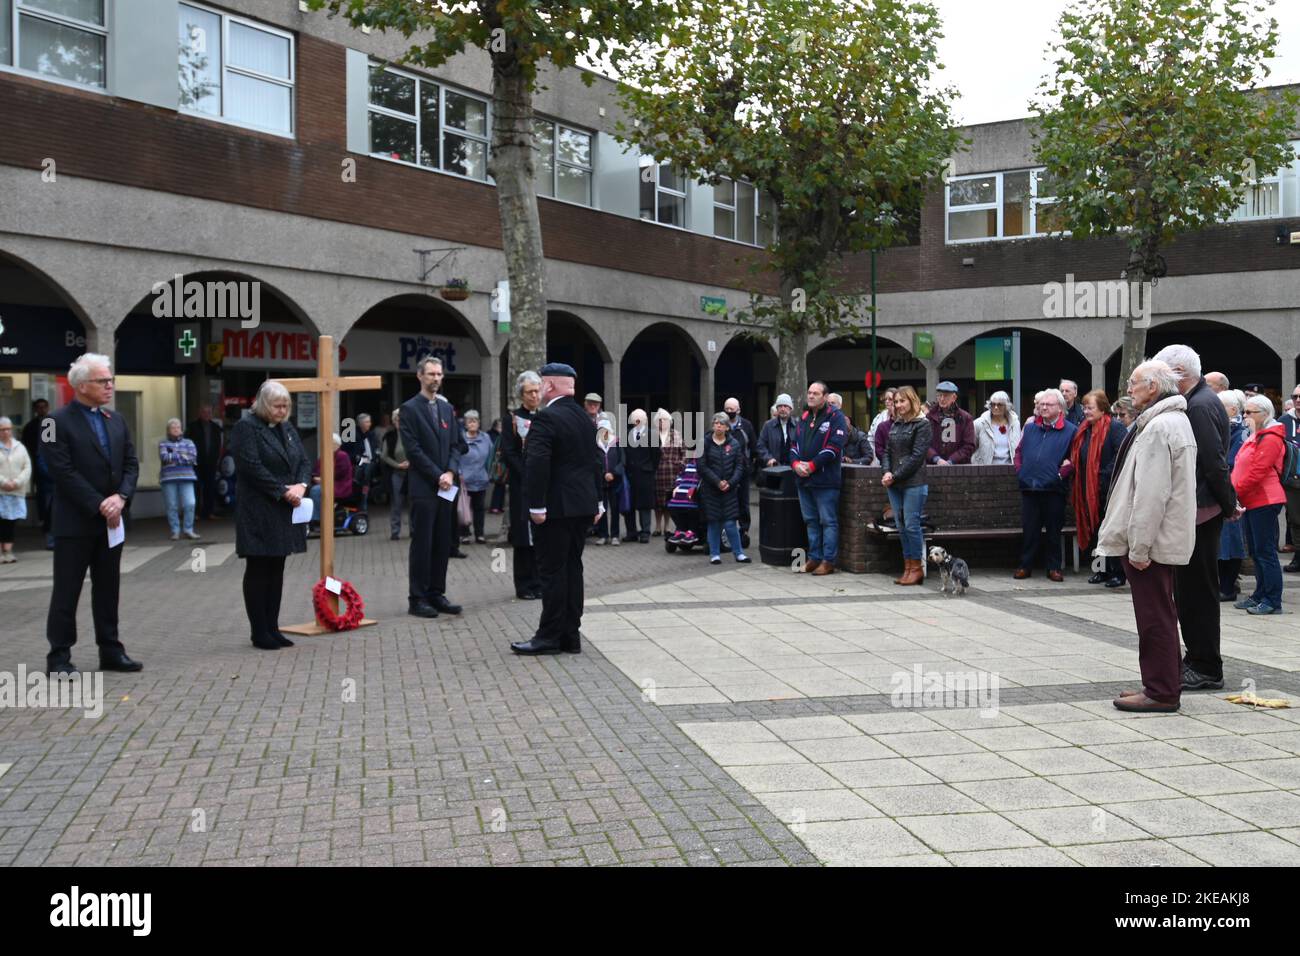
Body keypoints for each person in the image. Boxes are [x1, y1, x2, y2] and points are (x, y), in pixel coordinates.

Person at [1097, 360, 1197, 713]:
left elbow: (1151, 494)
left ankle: (1161, 690)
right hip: (1159, 539)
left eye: (1134, 382)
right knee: (1160, 613)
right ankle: (1160, 683)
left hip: (1152, 543)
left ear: (1153, 387)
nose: (1128, 388)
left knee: (1155, 616)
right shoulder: (1172, 421)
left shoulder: (1159, 427)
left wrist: (1139, 547)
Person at [44, 353, 142, 676]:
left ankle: (110, 650)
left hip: (112, 522)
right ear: (82, 385)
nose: (110, 385)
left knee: (108, 588)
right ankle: (59, 657)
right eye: (103, 381)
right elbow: (61, 471)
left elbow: (131, 462)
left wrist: (122, 497)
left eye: (111, 380)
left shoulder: (117, 420)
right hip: (76, 523)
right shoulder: (53, 422)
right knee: (66, 590)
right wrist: (100, 503)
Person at [1151, 344, 1238, 693]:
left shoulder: (1200, 405)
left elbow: (1214, 462)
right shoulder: (1199, 401)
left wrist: (1229, 504)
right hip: (1199, 511)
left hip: (1202, 512)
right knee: (1190, 592)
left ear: (1179, 375)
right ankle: (1198, 658)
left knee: (1198, 593)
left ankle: (1206, 666)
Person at [510, 363, 603, 655]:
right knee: (572, 569)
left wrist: (536, 505)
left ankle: (549, 636)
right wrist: (598, 501)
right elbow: (598, 462)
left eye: (541, 384)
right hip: (581, 508)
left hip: (555, 510)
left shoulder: (546, 418)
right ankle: (569, 635)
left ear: (549, 386)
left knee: (552, 573)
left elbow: (537, 464)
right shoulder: (585, 418)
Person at [229, 380, 310, 651]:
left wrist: (301, 485)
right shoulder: (246, 427)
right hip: (259, 509)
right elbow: (250, 466)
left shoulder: (286, 428)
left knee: (277, 568)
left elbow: (304, 460)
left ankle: (273, 627)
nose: (282, 410)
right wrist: (282, 491)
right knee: (259, 568)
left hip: (284, 508)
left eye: (286, 405)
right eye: (277, 405)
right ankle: (259, 631)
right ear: (264, 404)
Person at [400, 356, 466, 619]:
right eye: (431, 374)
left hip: (446, 486)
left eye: (439, 374)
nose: (436, 379)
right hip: (424, 487)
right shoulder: (409, 409)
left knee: (443, 542)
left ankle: (437, 593)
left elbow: (457, 444)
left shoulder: (447, 409)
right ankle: (417, 598)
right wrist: (438, 474)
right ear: (420, 376)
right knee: (423, 543)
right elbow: (413, 451)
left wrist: (450, 471)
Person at [1232, 394, 1287, 615]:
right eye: (1244, 412)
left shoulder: (1271, 436)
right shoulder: (1258, 435)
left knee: (1265, 552)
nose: (1245, 416)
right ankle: (1260, 594)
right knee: (1257, 551)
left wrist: (1236, 492)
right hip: (1253, 500)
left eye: (1250, 412)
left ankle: (1272, 599)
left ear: (1265, 414)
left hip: (1264, 499)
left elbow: (1257, 472)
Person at [1014, 388, 1077, 581]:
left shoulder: (1070, 430)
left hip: (1054, 490)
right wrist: (1021, 471)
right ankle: (1025, 566)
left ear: (1060, 407)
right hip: (1029, 488)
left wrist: (1059, 475)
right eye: (1041, 404)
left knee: (1053, 532)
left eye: (1048, 404)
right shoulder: (1031, 427)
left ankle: (1054, 568)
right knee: (1030, 531)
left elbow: (1074, 459)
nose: (1043, 407)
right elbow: (1018, 452)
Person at [1068, 390, 1127, 587]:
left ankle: (1117, 573)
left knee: (1110, 532)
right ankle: (1100, 571)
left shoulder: (1115, 428)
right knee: (1094, 531)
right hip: (1086, 491)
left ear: (1102, 409)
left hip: (1108, 491)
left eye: (1090, 407)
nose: (1086, 411)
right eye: (1084, 407)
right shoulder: (1083, 430)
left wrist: (1102, 476)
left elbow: (1122, 455)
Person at [790, 381, 849, 576]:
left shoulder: (836, 418)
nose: (811, 396)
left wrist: (812, 465)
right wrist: (796, 464)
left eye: (816, 393)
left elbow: (834, 447)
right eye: (809, 392)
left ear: (825, 397)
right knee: (811, 520)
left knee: (828, 521)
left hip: (825, 481)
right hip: (803, 479)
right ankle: (814, 557)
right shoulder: (805, 417)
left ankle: (828, 561)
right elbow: (793, 445)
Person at [881, 386, 931, 586]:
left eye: (903, 401)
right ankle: (908, 567)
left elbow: (917, 457)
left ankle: (917, 568)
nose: (899, 405)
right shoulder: (895, 424)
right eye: (896, 401)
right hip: (893, 482)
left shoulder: (922, 424)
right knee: (901, 526)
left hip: (913, 483)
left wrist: (895, 475)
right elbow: (886, 452)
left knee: (911, 525)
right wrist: (886, 472)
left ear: (912, 401)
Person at [500, 371, 543, 600]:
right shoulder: (512, 419)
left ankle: (539, 582)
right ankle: (524, 585)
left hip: (543, 488)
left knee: (540, 536)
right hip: (521, 486)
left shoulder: (545, 417)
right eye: (530, 392)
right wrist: (527, 474)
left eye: (537, 391)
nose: (534, 395)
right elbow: (509, 452)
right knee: (523, 537)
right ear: (521, 394)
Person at [698, 412, 752, 564]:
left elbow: (739, 466)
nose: (719, 426)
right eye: (716, 423)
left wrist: (730, 482)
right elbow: (701, 466)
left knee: (730, 523)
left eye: (722, 424)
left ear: (727, 427)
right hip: (711, 490)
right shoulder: (704, 443)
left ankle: (739, 553)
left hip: (729, 490)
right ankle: (714, 554)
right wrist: (717, 482)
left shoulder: (734, 444)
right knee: (714, 522)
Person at [1216, 391, 1248, 602]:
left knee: (1231, 542)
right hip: (1224, 490)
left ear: (1233, 410)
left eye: (1221, 407)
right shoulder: (1225, 428)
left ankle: (1228, 587)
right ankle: (1224, 585)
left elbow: (1231, 461)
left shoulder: (1239, 431)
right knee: (1222, 543)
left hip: (1233, 491)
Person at [159, 418, 200, 541]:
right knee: (172, 505)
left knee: (190, 503)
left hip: (187, 477)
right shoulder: (163, 443)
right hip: (168, 479)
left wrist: (174, 457)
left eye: (178, 427)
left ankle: (188, 529)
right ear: (168, 430)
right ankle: (175, 531)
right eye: (173, 427)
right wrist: (182, 455)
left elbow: (192, 458)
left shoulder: (189, 442)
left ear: (181, 429)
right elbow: (164, 457)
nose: (176, 429)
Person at [723, 397, 758, 544]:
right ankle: (726, 531)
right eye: (727, 409)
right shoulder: (720, 424)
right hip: (724, 470)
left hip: (743, 470)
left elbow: (754, 447)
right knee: (726, 501)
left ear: (739, 410)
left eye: (733, 409)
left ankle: (744, 530)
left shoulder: (746, 425)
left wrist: (750, 465)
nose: (730, 412)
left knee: (743, 501)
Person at [21, 398, 54, 549]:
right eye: (39, 407)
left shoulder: (50, 423)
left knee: (50, 504)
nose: (42, 410)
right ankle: (48, 531)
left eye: (44, 407)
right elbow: (43, 451)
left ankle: (50, 531)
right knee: (46, 503)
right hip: (43, 470)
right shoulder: (35, 426)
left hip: (48, 469)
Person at [621, 408, 658, 543]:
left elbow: (656, 456)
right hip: (629, 475)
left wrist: (650, 469)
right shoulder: (626, 435)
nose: (638, 422)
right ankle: (631, 532)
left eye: (640, 419)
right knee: (628, 504)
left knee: (644, 505)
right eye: (635, 419)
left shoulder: (652, 435)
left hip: (645, 475)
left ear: (645, 420)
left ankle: (645, 532)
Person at [0, 417, 32, 563]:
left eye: (8, 429)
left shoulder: (19, 446)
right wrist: (4, 482)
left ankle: (8, 551)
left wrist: (18, 482)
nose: (6, 432)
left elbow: (27, 466)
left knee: (10, 522)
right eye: (2, 430)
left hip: (15, 491)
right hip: (1, 491)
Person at [308, 433, 353, 534]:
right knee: (309, 488)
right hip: (326, 483)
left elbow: (341, 473)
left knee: (316, 490)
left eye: (332, 443)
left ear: (337, 444)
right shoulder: (324, 456)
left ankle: (317, 520)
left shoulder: (342, 456)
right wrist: (315, 476)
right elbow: (316, 470)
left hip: (340, 485)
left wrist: (323, 478)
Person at [458, 410, 492, 544]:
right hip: (464, 480)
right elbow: (455, 456)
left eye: (475, 421)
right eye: (469, 421)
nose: (472, 423)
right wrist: (458, 472)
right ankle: (464, 534)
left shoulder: (485, 438)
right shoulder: (460, 438)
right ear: (465, 424)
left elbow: (492, 455)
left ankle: (480, 534)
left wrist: (489, 472)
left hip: (481, 478)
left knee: (479, 508)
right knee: (464, 508)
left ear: (479, 423)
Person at [185, 404, 223, 521]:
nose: (207, 414)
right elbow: (187, 443)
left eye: (209, 412)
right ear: (200, 413)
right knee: (196, 488)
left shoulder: (216, 427)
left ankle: (209, 512)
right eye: (204, 412)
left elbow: (218, 445)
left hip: (211, 462)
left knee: (210, 487)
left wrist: (217, 458)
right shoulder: (192, 427)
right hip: (196, 462)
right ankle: (196, 513)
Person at [926, 381, 976, 465]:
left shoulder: (965, 418)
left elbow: (969, 446)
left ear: (954, 397)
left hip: (959, 468)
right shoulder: (929, 417)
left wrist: (951, 460)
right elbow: (923, 443)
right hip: (933, 466)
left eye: (945, 396)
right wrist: (936, 459)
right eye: (939, 395)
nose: (942, 399)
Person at [594, 414, 625, 546]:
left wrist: (613, 473)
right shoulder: (595, 444)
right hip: (600, 483)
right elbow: (593, 462)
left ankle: (615, 535)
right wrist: (603, 474)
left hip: (615, 482)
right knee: (601, 509)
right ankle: (603, 535)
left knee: (615, 509)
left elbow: (622, 461)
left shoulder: (617, 443)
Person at [653, 408, 684, 536]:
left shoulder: (676, 434)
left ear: (669, 421)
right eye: (660, 420)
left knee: (668, 501)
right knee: (657, 502)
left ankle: (667, 527)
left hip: (672, 472)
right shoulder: (652, 435)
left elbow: (684, 452)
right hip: (657, 472)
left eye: (665, 420)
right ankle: (657, 526)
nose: (662, 423)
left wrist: (681, 464)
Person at [381, 408, 410, 540]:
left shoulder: (412, 434)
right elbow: (384, 456)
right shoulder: (389, 436)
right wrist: (397, 465)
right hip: (397, 473)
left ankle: (414, 530)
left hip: (412, 473)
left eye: (402, 419)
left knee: (414, 503)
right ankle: (395, 531)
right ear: (393, 421)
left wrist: (411, 463)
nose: (399, 421)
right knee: (397, 503)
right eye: (397, 419)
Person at [972, 390, 1022, 465]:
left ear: (1006, 406)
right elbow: (971, 446)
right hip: (985, 470)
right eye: (993, 404)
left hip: (1009, 469)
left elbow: (1018, 447)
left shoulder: (1015, 423)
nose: (995, 407)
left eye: (999, 404)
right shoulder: (979, 423)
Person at [1283, 385, 1300, 574]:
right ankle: (1298, 555)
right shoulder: (1284, 421)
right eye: (1294, 396)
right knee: (1295, 521)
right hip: (1293, 479)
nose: (1297, 400)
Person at [757, 394, 796, 468]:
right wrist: (768, 458)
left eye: (785, 406)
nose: (783, 409)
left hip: (792, 469)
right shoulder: (768, 425)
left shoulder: (797, 425)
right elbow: (760, 446)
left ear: (790, 408)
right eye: (780, 406)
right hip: (774, 468)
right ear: (777, 409)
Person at [873, 391, 896, 464]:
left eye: (890, 399)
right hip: (881, 461)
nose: (887, 401)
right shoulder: (878, 418)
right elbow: (871, 438)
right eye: (885, 399)